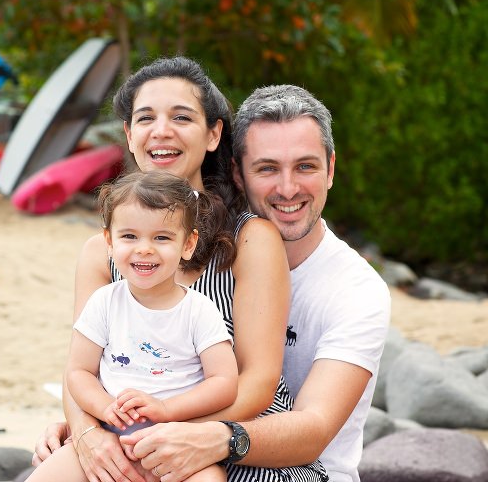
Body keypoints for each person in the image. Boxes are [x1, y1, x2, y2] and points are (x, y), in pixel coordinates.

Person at [33, 57, 327, 482]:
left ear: (213, 134)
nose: (162, 130)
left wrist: (168, 434)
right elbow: (81, 368)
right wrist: (85, 434)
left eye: (182, 117)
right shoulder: (102, 252)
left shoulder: (250, 239)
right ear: (130, 136)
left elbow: (258, 381)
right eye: (146, 118)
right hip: (125, 437)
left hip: (231, 438)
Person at [117, 85, 391, 482]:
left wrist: (214, 439)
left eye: (306, 167)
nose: (288, 188)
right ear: (237, 174)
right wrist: (90, 425)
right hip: (172, 453)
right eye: (266, 169)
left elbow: (313, 428)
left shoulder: (356, 290)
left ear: (331, 169)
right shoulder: (192, 255)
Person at [27, 170, 238, 482]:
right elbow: (78, 371)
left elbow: (224, 381)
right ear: (109, 242)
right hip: (109, 435)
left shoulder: (199, 311)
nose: (144, 249)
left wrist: (166, 410)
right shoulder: (104, 302)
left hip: (176, 444)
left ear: (188, 244)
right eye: (129, 236)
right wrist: (105, 407)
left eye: (162, 238)